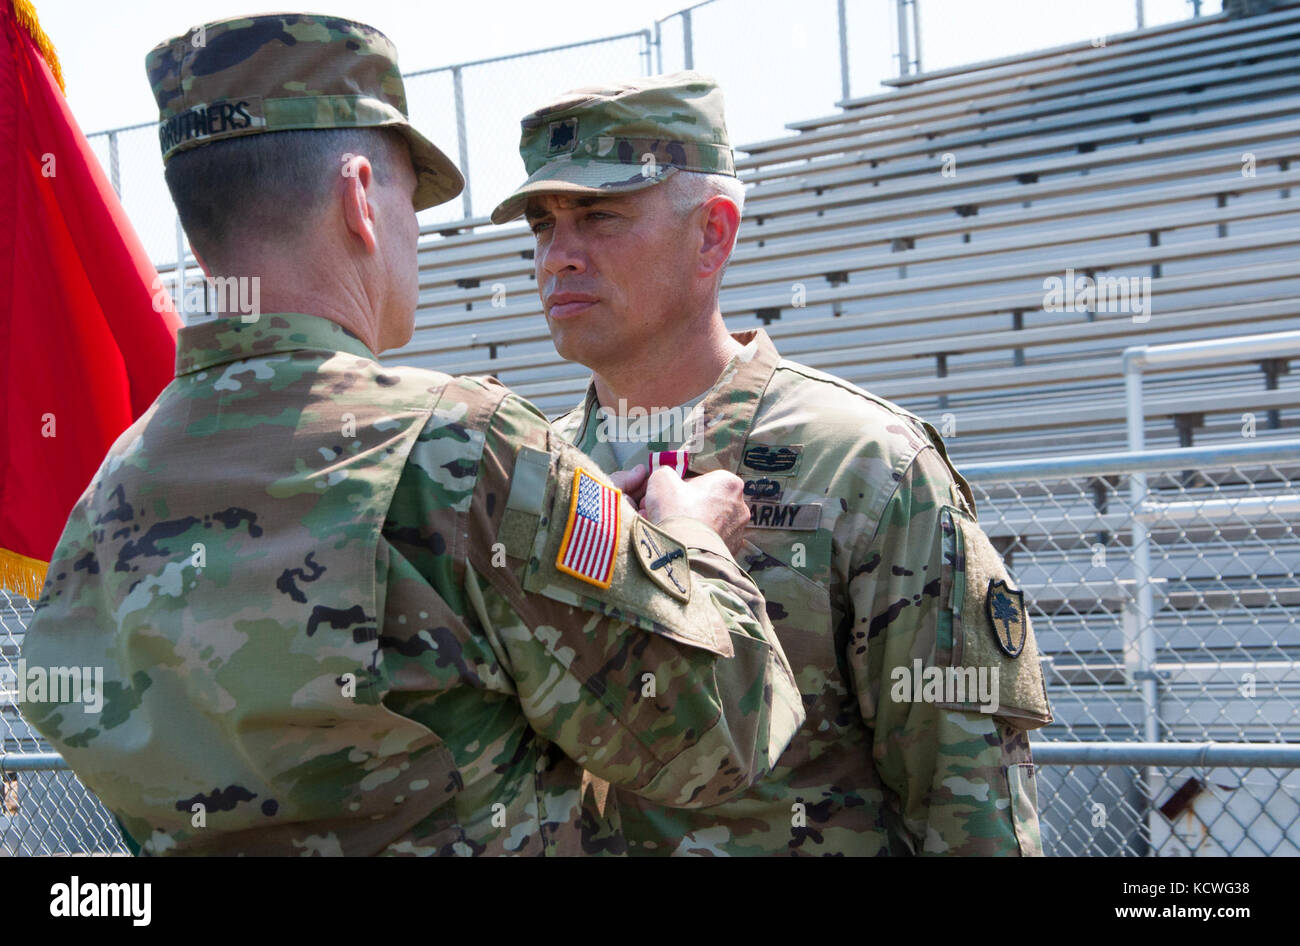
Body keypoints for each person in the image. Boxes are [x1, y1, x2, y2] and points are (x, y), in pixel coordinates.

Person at [18, 17, 803, 857]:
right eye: (408, 196)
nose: (416, 235)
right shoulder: (464, 442)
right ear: (360, 196)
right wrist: (689, 541)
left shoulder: (112, 488)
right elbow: (720, 737)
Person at [491, 71, 1054, 856]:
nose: (559, 257)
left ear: (712, 234)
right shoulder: (530, 471)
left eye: (600, 217)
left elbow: (966, 811)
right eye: (543, 226)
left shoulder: (866, 466)